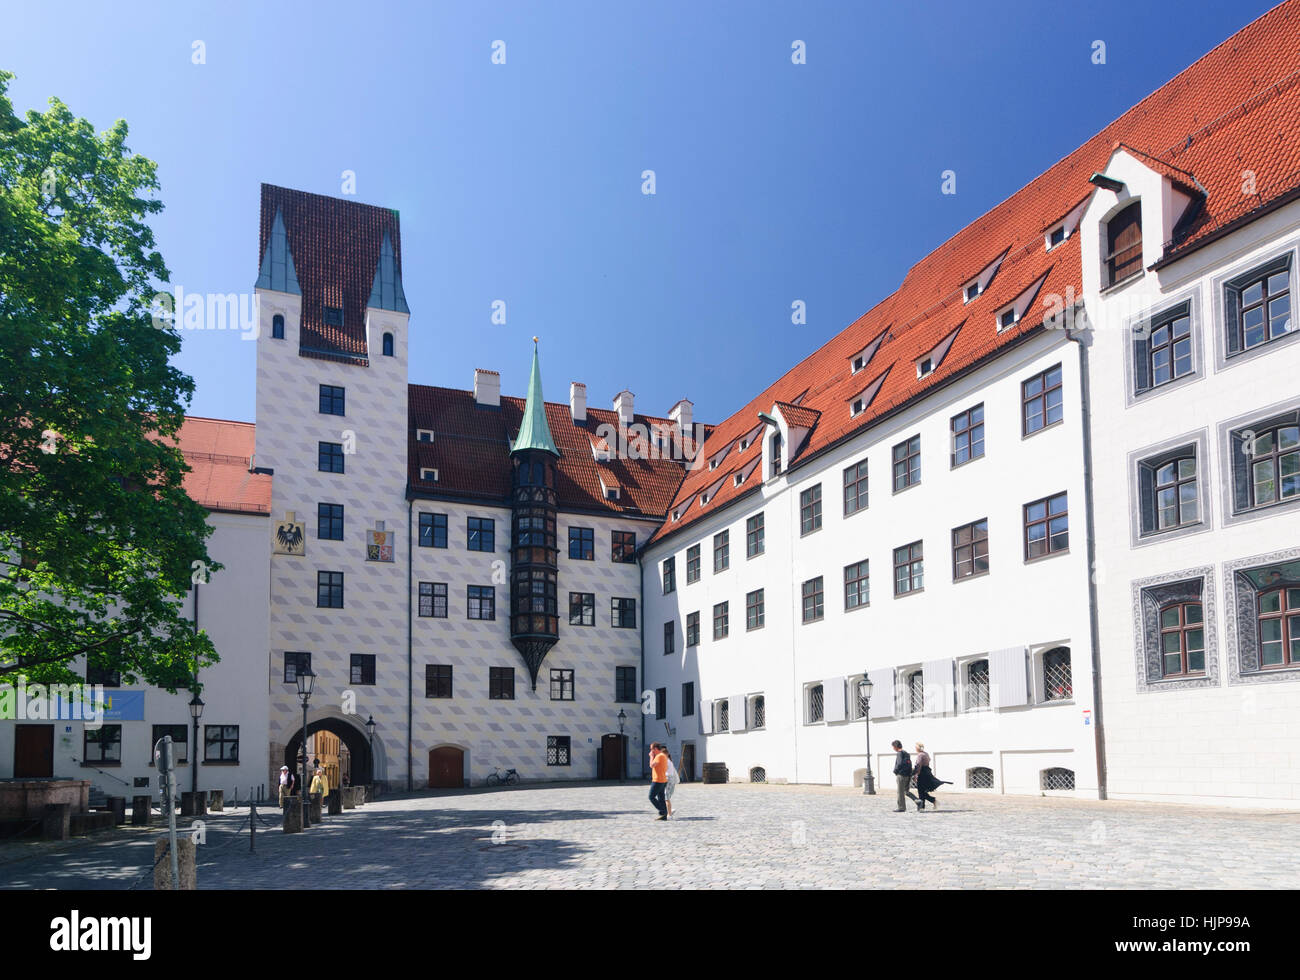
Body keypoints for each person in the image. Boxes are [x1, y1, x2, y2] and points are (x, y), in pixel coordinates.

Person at [912, 742, 950, 810]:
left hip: (922, 774)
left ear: (917, 748)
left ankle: (923, 806)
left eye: (915, 747)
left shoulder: (920, 755)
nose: (915, 749)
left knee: (921, 791)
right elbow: (928, 761)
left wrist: (916, 775)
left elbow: (919, 765)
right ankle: (930, 803)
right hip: (927, 773)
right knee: (922, 791)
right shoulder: (926, 754)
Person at [891, 739, 918, 812]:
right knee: (906, 791)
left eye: (893, 747)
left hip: (901, 775)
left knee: (900, 792)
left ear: (895, 746)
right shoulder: (906, 753)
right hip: (907, 775)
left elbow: (899, 763)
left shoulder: (899, 753)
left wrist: (895, 771)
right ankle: (917, 801)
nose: (893, 748)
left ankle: (901, 807)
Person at [648, 743, 669, 820]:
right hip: (663, 780)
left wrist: (651, 756)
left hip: (658, 780)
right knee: (661, 798)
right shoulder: (663, 756)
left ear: (655, 749)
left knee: (651, 797)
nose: (651, 751)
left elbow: (651, 765)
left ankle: (663, 811)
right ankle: (664, 816)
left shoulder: (659, 756)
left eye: (651, 749)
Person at [664, 750, 680, 819]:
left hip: (668, 779)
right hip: (671, 780)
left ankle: (669, 814)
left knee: (666, 797)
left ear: (666, 754)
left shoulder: (667, 761)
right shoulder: (669, 761)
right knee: (666, 797)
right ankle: (669, 811)